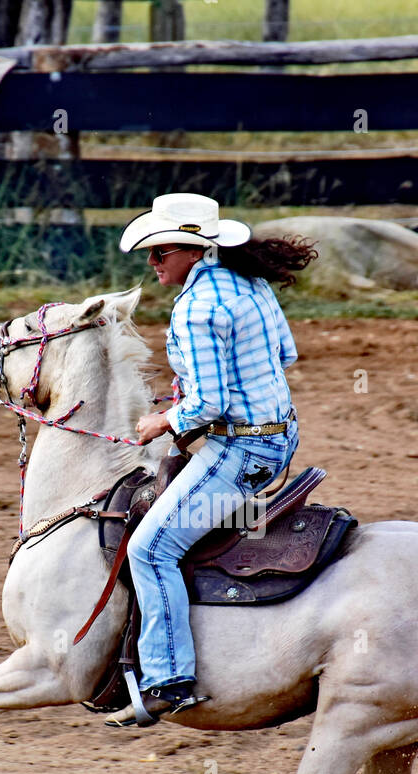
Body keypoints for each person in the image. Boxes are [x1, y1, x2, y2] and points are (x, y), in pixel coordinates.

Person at [105, 193, 316, 726]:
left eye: (160, 254)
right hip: (278, 433)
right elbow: (284, 354)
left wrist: (164, 420)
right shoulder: (248, 282)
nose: (152, 264)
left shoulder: (197, 308)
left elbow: (210, 405)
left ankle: (168, 680)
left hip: (243, 449)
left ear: (192, 251)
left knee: (152, 548)